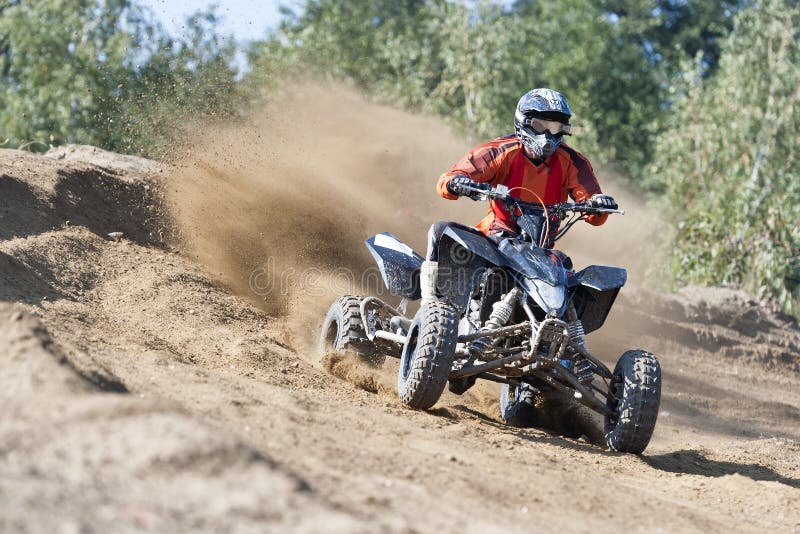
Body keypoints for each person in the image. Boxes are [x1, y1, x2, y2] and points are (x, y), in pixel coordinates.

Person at [420, 88, 617, 303]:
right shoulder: (501, 150)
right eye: (540, 125)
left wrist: (598, 204)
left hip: (540, 250)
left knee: (569, 277)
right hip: (495, 238)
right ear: (524, 122)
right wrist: (458, 182)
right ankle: (431, 305)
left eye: (555, 127)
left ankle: (564, 329)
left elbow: (595, 211)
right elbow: (449, 179)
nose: (548, 135)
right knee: (442, 231)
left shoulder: (573, 161)